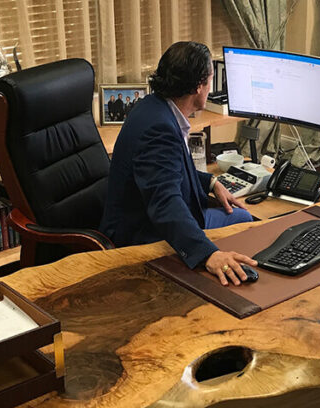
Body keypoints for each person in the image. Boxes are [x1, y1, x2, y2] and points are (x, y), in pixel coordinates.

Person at [100, 41, 255, 286]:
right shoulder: (159, 128)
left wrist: (212, 181)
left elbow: (170, 170)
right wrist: (208, 254)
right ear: (199, 86)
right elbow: (164, 202)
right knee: (246, 221)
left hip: (141, 216)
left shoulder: (153, 107)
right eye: (211, 80)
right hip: (141, 234)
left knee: (239, 216)